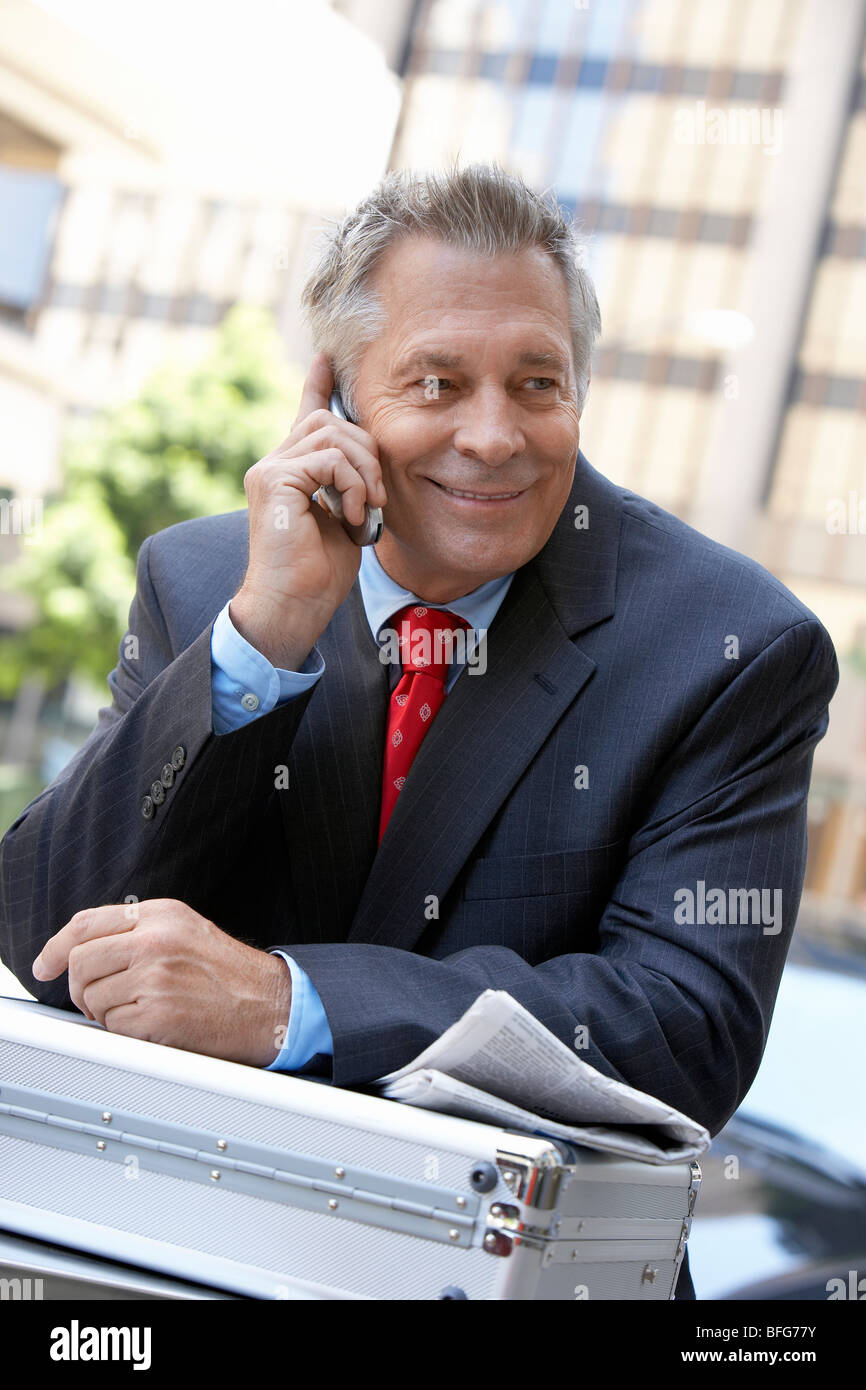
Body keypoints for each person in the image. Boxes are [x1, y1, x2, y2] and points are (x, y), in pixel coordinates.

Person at [0, 164, 839, 1301]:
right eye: (436, 382)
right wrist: (266, 633)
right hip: (179, 1264)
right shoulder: (208, 580)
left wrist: (285, 1003)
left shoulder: (728, 646)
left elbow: (684, 1028)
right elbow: (49, 935)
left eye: (535, 383)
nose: (493, 436)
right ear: (336, 398)